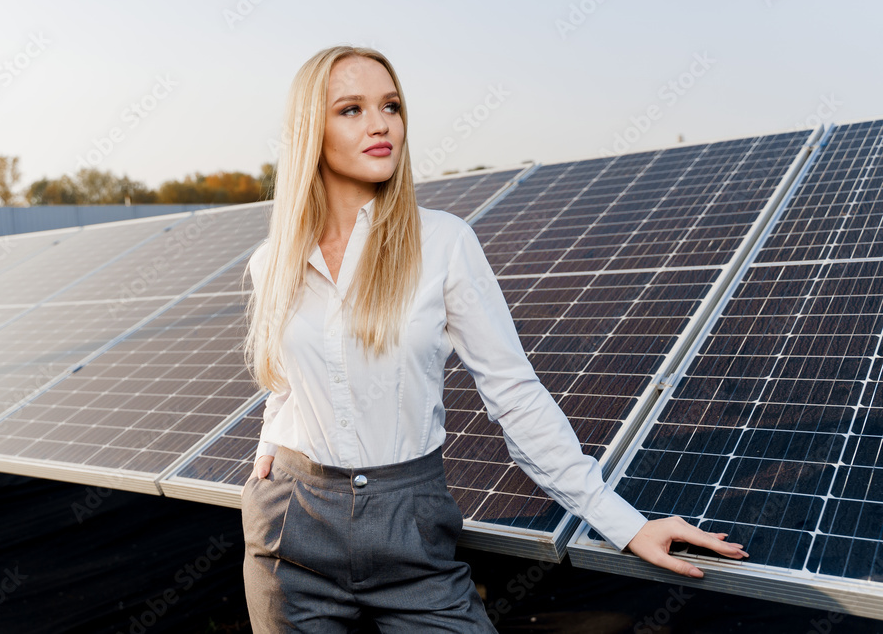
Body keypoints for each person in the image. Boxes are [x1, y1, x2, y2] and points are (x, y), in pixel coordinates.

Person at [241, 45, 748, 633]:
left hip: (413, 533)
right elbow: (286, 383)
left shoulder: (443, 243)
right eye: (351, 109)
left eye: (391, 106)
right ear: (311, 129)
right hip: (291, 533)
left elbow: (513, 393)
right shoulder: (271, 262)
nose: (381, 124)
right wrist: (269, 451)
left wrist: (623, 523)